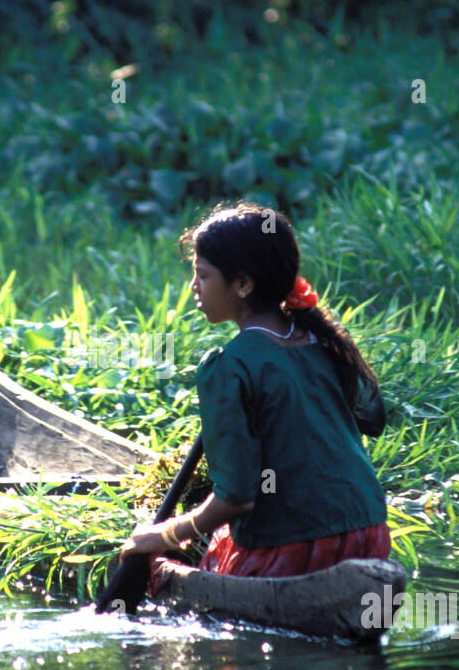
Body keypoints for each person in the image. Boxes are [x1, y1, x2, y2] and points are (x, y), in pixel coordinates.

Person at [120, 201, 390, 590]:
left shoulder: (229, 366)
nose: (194, 287)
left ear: (244, 284)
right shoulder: (324, 341)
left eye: (203, 275)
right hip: (369, 528)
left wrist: (162, 535)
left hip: (295, 542)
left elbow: (237, 499)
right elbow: (374, 418)